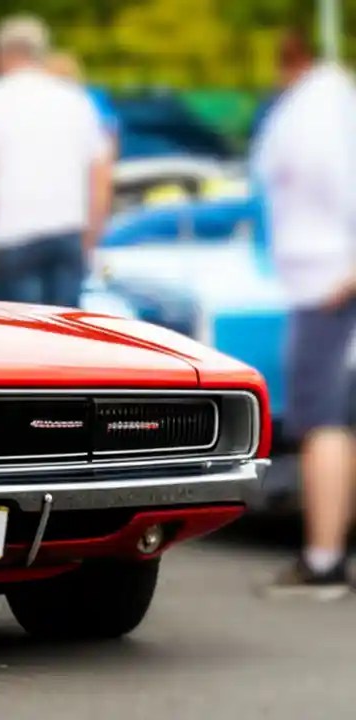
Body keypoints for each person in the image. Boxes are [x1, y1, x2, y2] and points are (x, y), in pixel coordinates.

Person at [253, 31, 356, 599]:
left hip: (329, 282)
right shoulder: (331, 105)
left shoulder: (315, 114)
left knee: (323, 424)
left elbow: (339, 185)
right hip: (328, 277)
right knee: (333, 421)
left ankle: (323, 560)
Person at [0, 15, 111, 307]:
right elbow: (100, 173)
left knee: (23, 339)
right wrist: (92, 233)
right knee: (66, 335)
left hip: (12, 235)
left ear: (1, 55)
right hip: (68, 231)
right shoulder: (75, 100)